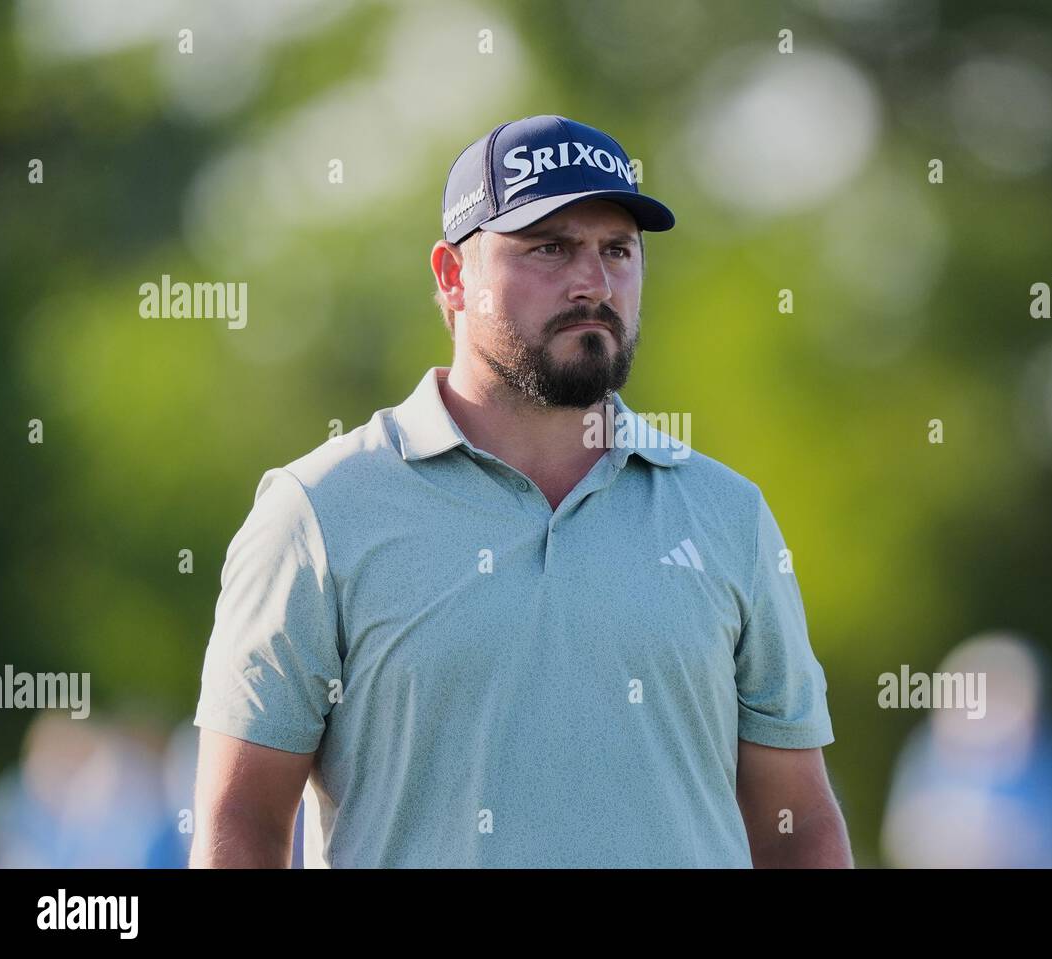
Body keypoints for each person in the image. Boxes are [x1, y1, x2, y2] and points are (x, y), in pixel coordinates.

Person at [190, 114, 850, 868]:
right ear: (451, 276)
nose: (593, 283)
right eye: (548, 247)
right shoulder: (317, 512)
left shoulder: (729, 514)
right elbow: (240, 821)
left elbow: (799, 823)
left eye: (617, 250)